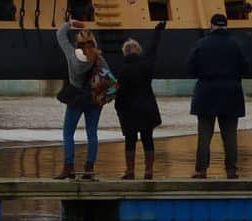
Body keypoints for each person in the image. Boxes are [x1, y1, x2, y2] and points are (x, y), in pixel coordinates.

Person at [189, 12, 250, 179]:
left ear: (211, 25)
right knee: (230, 135)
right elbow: (246, 67)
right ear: (226, 25)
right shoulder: (236, 44)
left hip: (206, 92)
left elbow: (190, 67)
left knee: (204, 134)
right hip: (231, 93)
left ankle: (201, 169)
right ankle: (231, 169)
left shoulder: (201, 44)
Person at [112, 18, 168, 180]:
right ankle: (148, 171)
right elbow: (152, 50)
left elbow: (117, 93)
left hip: (128, 110)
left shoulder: (121, 70)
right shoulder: (146, 66)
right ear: (138, 51)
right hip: (146, 108)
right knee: (147, 139)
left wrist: (118, 109)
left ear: (125, 52)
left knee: (130, 141)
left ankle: (130, 171)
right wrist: (157, 32)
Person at [55, 17, 110, 180]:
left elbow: (60, 35)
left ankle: (69, 168)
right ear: (93, 42)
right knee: (92, 133)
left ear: (77, 43)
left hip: (76, 97)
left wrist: (71, 23)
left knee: (68, 133)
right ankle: (89, 169)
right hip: (94, 99)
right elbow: (108, 76)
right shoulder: (99, 58)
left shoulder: (72, 54)